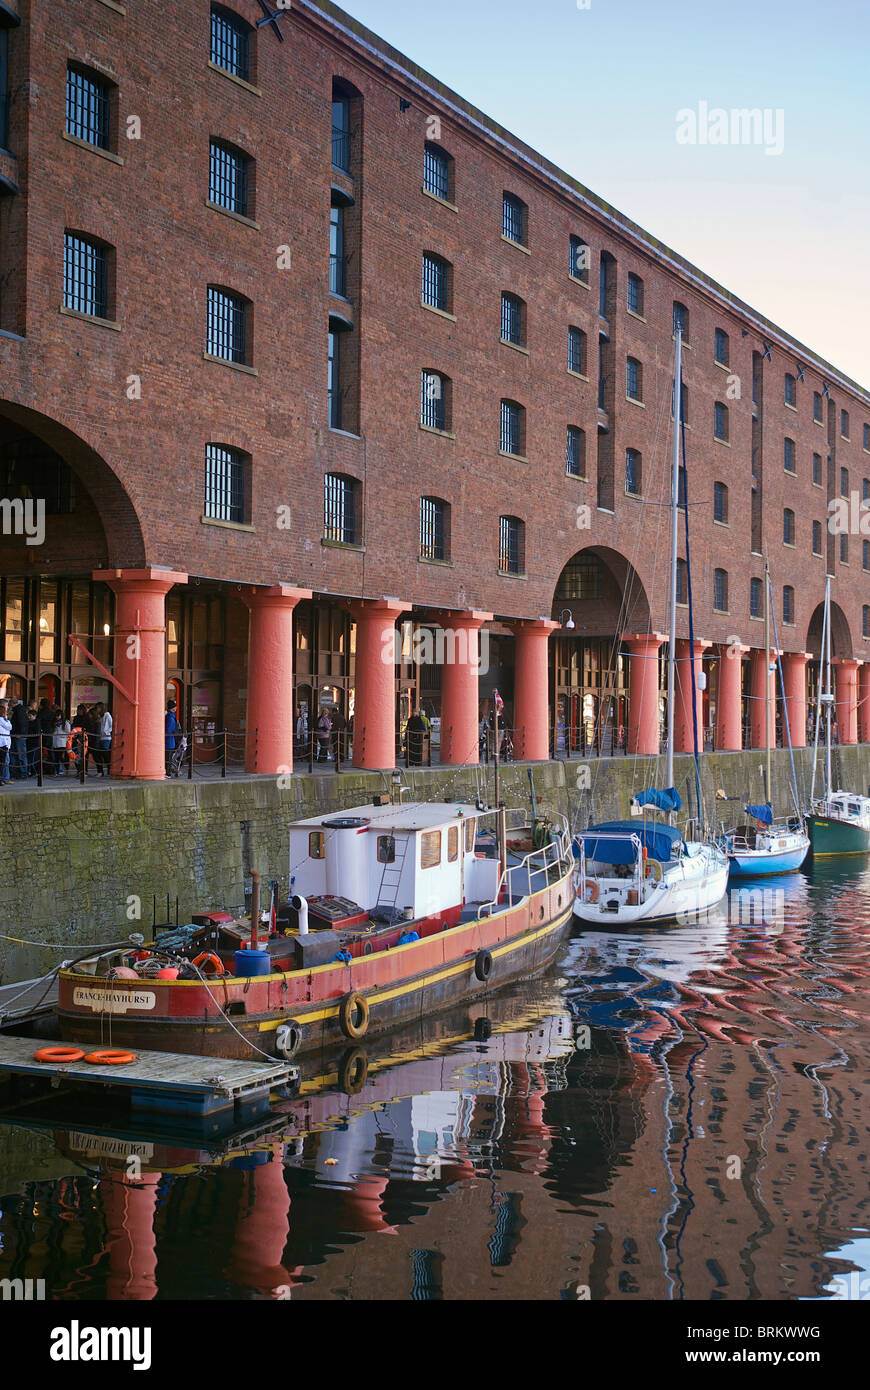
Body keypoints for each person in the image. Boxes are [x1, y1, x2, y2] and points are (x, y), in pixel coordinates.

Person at [10, 699, 28, 779]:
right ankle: (21, 772)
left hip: (18, 735)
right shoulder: (21, 710)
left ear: (13, 704)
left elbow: (21, 723)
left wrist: (20, 733)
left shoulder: (18, 710)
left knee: (19, 755)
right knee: (19, 755)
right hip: (18, 735)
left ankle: (21, 772)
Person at [52, 709, 71, 775]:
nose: (57, 717)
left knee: (61, 757)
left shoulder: (65, 722)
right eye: (56, 716)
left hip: (62, 742)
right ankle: (58, 771)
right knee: (56, 757)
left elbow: (69, 731)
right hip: (55, 742)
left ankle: (66, 768)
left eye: (58, 716)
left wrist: (64, 737)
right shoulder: (54, 722)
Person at [165, 700, 180, 775]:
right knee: (168, 759)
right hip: (170, 742)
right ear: (173, 708)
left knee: (168, 758)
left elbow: (168, 731)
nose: (176, 708)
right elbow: (169, 730)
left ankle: (168, 773)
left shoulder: (169, 717)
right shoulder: (171, 718)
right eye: (175, 707)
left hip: (168, 742)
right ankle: (168, 773)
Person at [0, 700, 11, 785]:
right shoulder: (1, 719)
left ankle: (5, 778)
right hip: (3, 742)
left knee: (6, 761)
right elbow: (9, 726)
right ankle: (3, 779)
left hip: (5, 742)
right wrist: (6, 719)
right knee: (4, 762)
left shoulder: (3, 719)